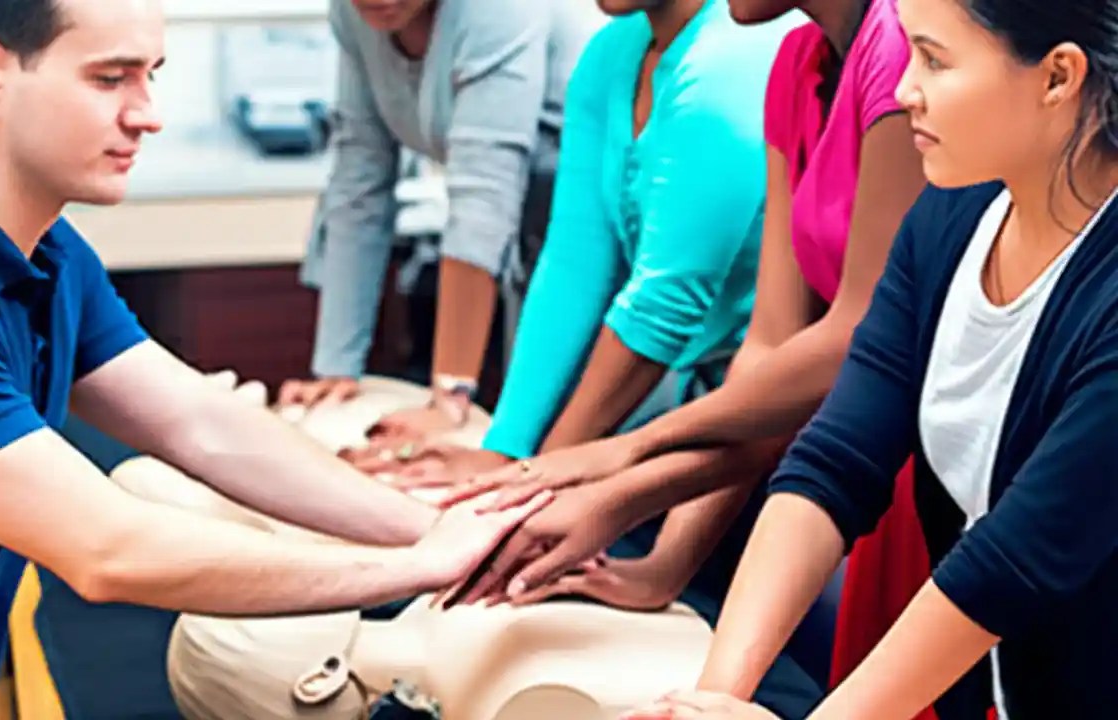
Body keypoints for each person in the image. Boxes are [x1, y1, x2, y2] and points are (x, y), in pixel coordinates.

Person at [0, 2, 553, 717]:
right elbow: (108, 550)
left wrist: (443, 528)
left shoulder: (50, 254)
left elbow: (198, 422)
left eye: (150, 75)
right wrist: (416, 566)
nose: (148, 114)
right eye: (110, 78)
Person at [621, 0, 1118, 716]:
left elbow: (1016, 562)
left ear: (1057, 77)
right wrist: (711, 699)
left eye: (935, 59)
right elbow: (836, 460)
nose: (904, 88)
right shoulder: (951, 214)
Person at [446, 0, 926, 653]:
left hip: (922, 465)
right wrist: (662, 565)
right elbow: (772, 345)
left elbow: (857, 343)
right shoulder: (796, 65)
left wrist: (623, 464)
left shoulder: (898, 53)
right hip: (840, 441)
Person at [348, 0, 797, 498]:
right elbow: (575, 260)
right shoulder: (614, 50)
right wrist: (508, 448)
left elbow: (665, 301)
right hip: (698, 396)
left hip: (783, 411)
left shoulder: (731, 59)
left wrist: (538, 475)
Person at [277, 0, 600, 443]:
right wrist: (337, 367)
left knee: (566, 437)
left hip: (594, 231)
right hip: (523, 228)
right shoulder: (355, 14)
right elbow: (359, 179)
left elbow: (481, 196)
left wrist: (450, 393)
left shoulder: (498, 10)